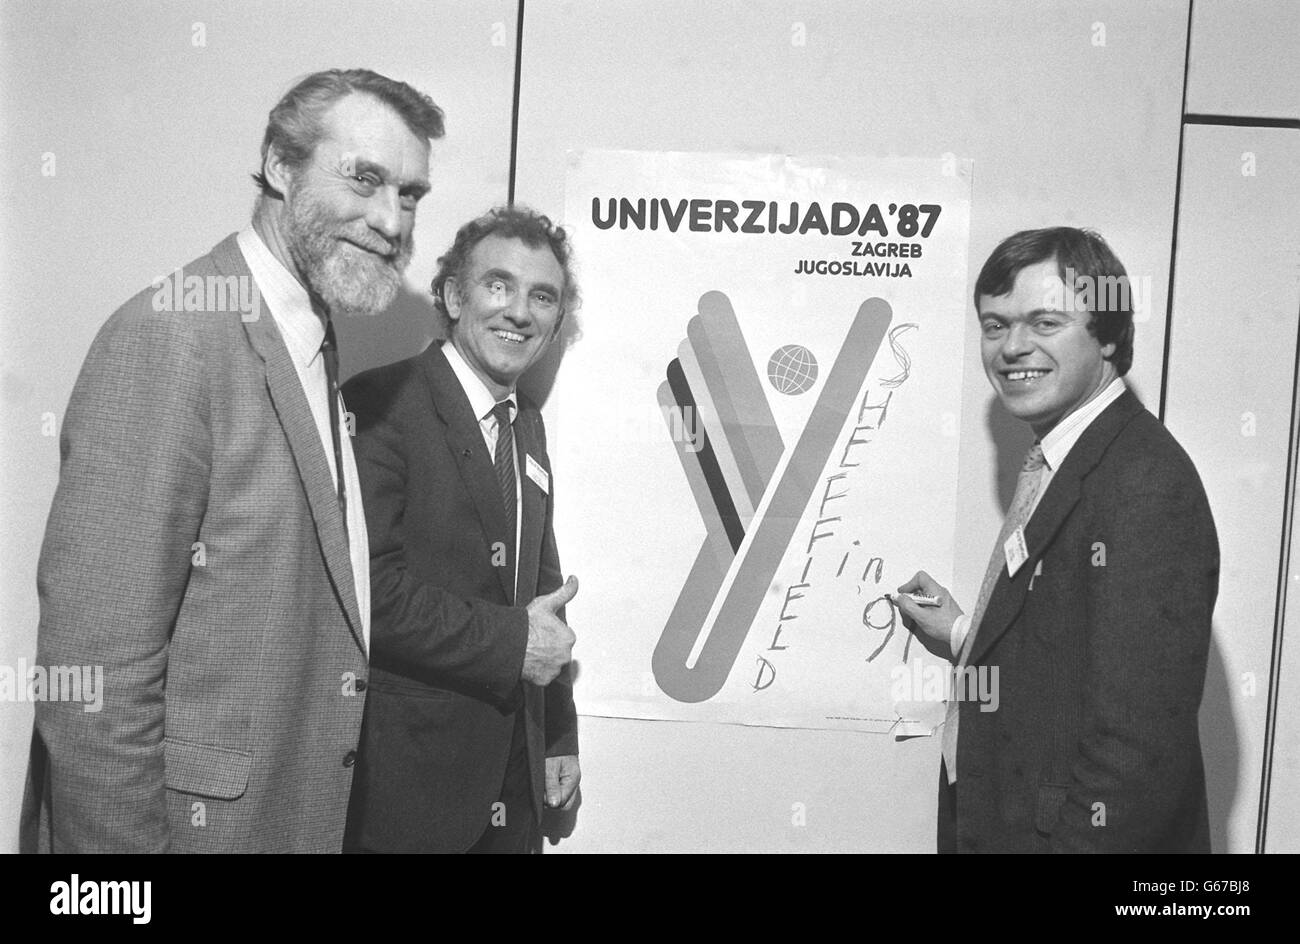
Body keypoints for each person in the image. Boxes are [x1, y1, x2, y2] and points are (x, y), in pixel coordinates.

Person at [21, 69, 444, 853]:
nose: (391, 221)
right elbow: (92, 682)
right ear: (281, 167)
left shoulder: (310, 333)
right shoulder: (173, 336)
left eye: (410, 194)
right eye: (365, 179)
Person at [895, 227, 1218, 853]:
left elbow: (1136, 752)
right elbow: (1077, 658)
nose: (1013, 348)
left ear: (1107, 335)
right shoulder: (1071, 456)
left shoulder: (1145, 485)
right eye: (995, 325)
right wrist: (966, 634)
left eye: (1045, 322)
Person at [342, 206, 580, 854]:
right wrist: (510, 645)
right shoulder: (379, 405)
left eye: (542, 297)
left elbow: (543, 598)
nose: (520, 312)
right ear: (452, 295)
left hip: (515, 787)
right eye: (498, 286)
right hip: (407, 796)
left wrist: (556, 736)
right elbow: (367, 594)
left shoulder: (525, 423)